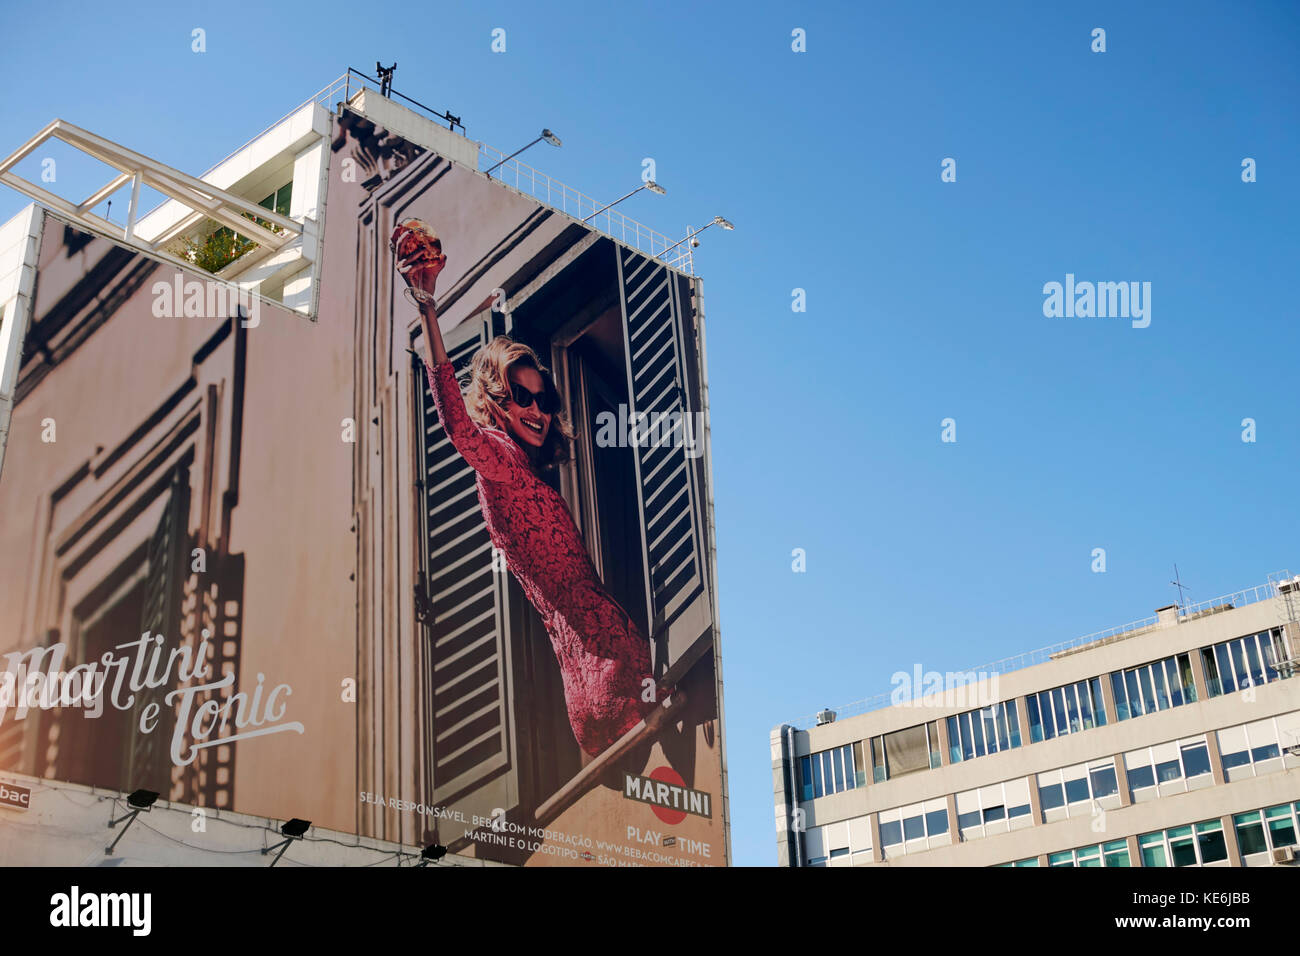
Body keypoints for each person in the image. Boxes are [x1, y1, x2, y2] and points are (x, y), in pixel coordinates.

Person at [392, 219, 655, 757]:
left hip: (583, 687)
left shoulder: (520, 470)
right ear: (495, 397)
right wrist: (427, 308)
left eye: (546, 399)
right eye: (522, 395)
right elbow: (461, 431)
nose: (537, 410)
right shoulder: (502, 459)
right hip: (609, 660)